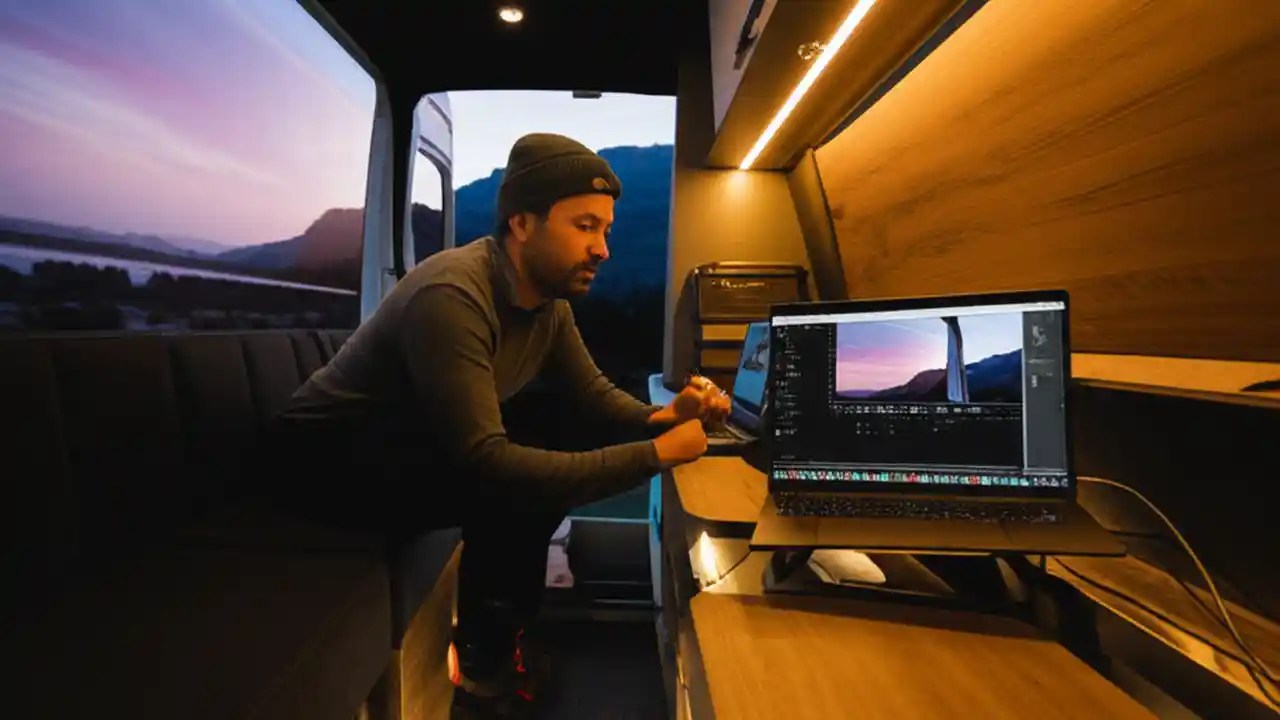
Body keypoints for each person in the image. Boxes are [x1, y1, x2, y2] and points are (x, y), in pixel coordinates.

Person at [253, 132, 729, 715]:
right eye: (585, 226)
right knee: (510, 475)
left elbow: (594, 398)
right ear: (522, 223)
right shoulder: (454, 295)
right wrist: (655, 456)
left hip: (404, 449)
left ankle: (495, 631)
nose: (603, 248)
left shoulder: (546, 303)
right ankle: (485, 653)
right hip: (320, 467)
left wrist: (665, 416)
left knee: (550, 424)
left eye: (605, 229)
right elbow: (485, 462)